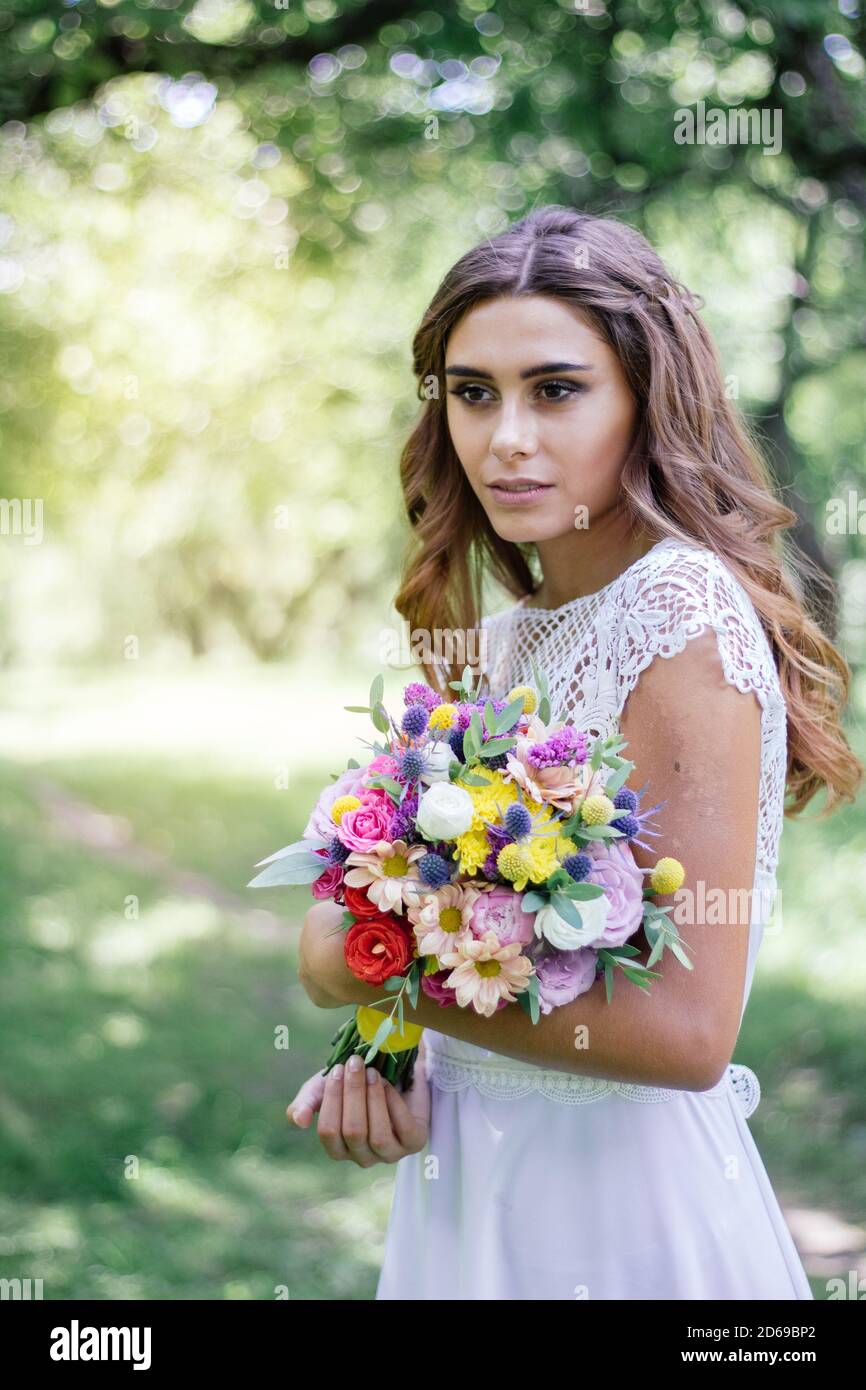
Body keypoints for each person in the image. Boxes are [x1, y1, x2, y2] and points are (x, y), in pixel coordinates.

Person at [288, 206, 863, 1299]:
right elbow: (490, 938)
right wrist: (388, 1048)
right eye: (471, 393)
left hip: (612, 1212)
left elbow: (688, 1031)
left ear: (648, 396)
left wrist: (354, 966)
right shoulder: (503, 639)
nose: (505, 437)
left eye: (554, 390)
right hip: (475, 1173)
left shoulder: (677, 610)